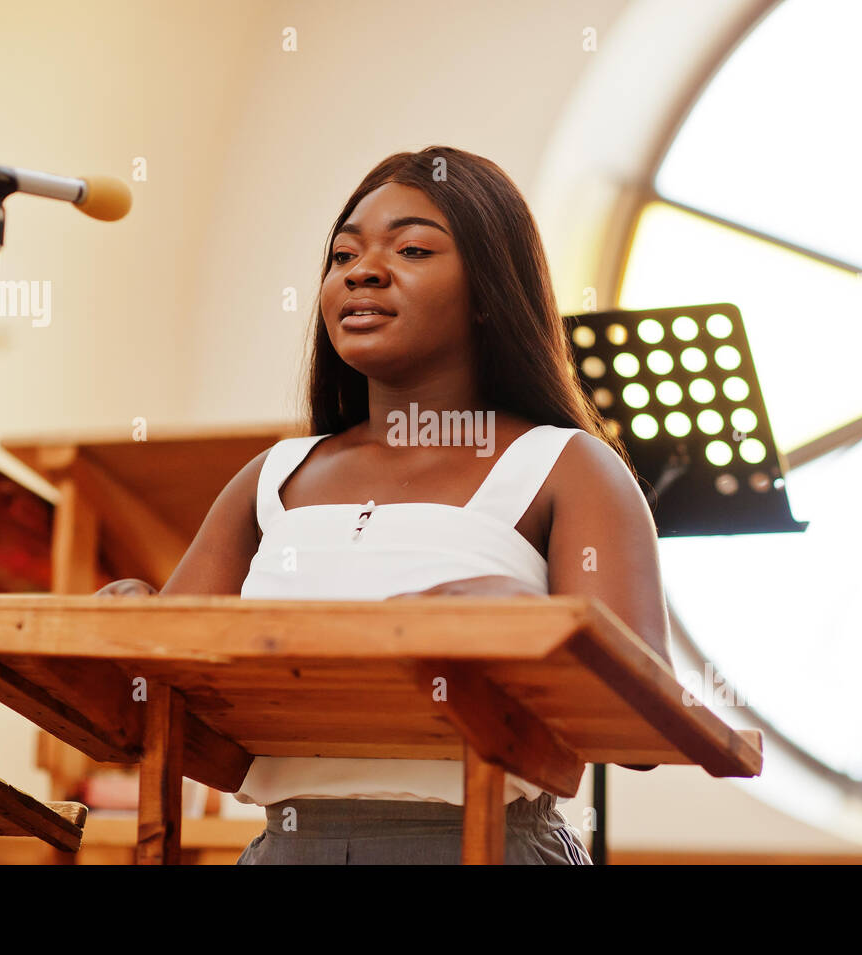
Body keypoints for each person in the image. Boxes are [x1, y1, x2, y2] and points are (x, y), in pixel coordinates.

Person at [97, 145, 673, 864]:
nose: (361, 270)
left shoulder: (565, 466)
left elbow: (644, 728)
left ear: (492, 290)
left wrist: (528, 622)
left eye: (411, 247)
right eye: (342, 256)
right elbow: (167, 698)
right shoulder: (271, 478)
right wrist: (122, 635)